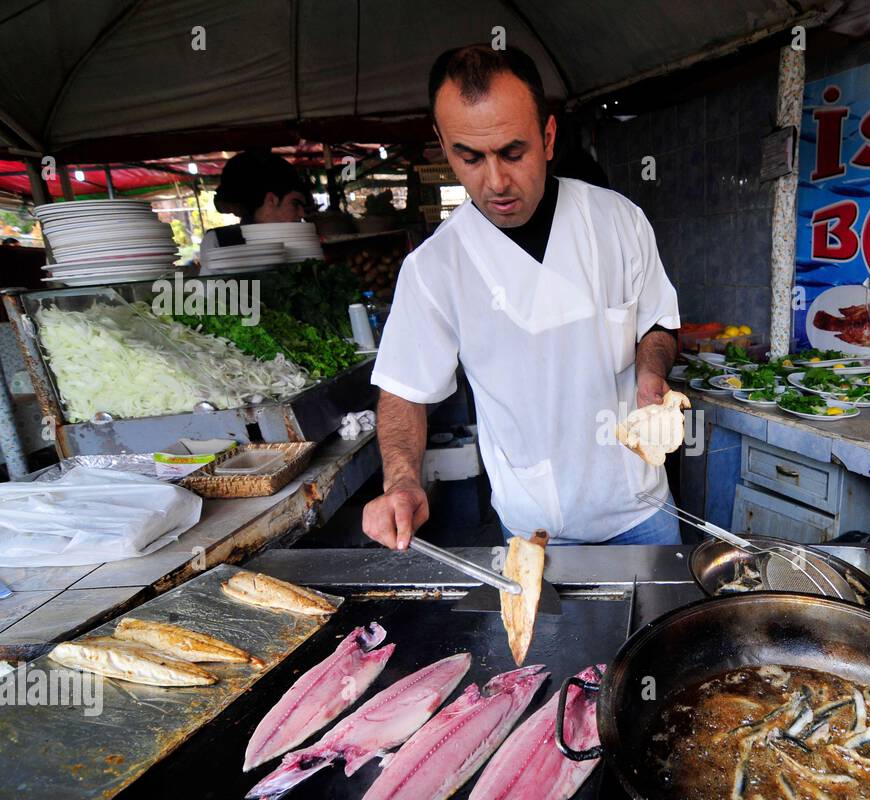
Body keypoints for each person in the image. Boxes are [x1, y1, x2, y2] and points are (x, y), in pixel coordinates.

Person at [363, 45, 682, 550]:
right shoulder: (433, 268)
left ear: (549, 137)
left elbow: (656, 323)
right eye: (468, 157)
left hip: (642, 509)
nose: (495, 181)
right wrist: (401, 481)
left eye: (513, 152)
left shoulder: (618, 220)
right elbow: (404, 390)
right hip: (535, 529)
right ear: (444, 146)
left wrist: (651, 372)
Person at [197, 151, 310, 270]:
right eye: (295, 204)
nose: (302, 214)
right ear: (271, 200)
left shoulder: (304, 239)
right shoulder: (220, 241)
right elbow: (211, 287)